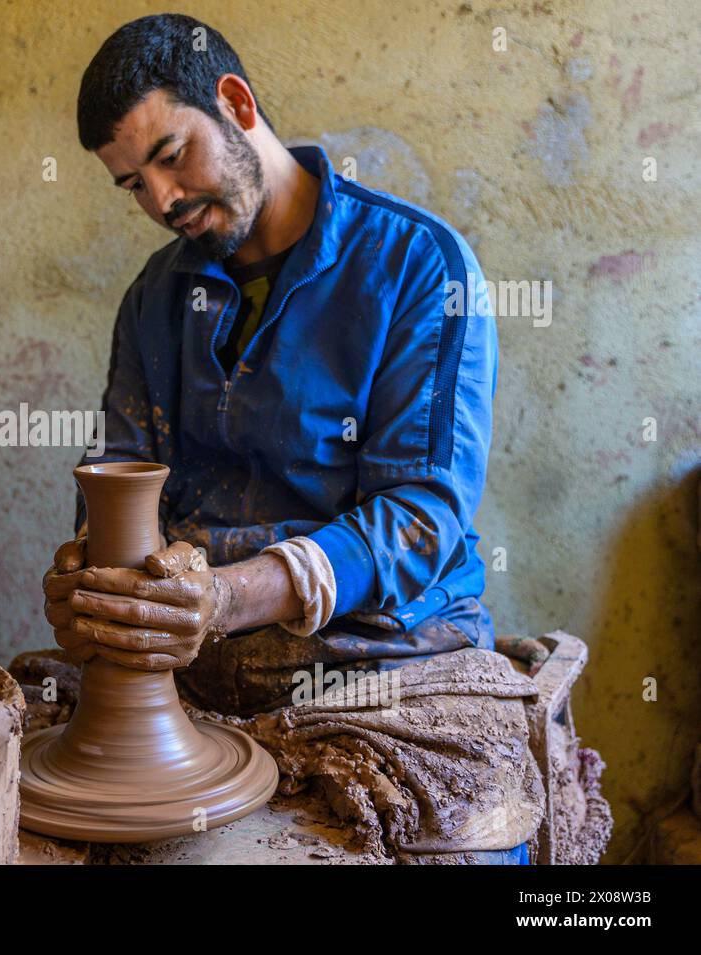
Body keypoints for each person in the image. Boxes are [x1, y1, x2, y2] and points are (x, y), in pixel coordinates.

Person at [43, 13, 499, 714]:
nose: (162, 201)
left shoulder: (418, 266)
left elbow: (420, 515)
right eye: (134, 184)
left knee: (444, 804)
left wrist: (227, 595)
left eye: (172, 155)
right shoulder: (156, 296)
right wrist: (94, 575)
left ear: (236, 104)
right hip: (197, 652)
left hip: (378, 650)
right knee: (1, 736)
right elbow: (119, 472)